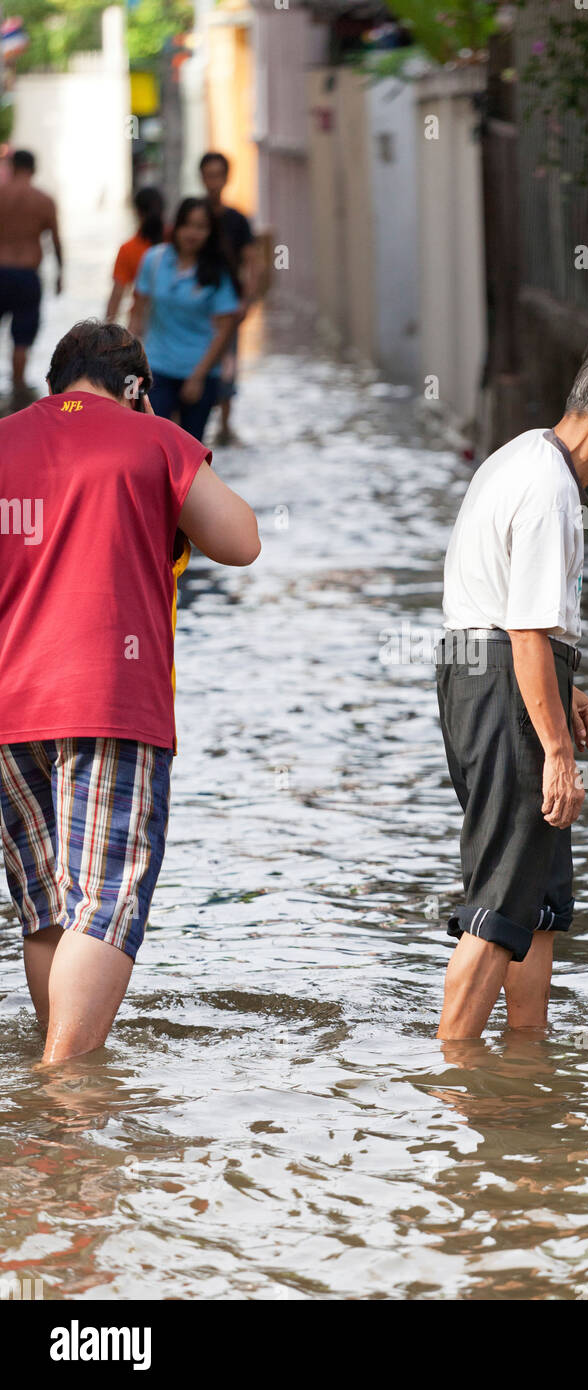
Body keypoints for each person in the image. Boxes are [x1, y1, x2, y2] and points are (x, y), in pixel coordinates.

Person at [0, 320, 260, 1065]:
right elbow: (241, 540)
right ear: (135, 386)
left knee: (48, 911)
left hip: (11, 710)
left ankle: (54, 1115)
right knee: (104, 901)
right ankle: (68, 1092)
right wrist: (155, 432)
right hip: (110, 702)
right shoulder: (153, 440)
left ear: (56, 382)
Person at [435, 331, 588, 1040]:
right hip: (502, 685)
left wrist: (563, 682)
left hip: (486, 676)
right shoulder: (548, 489)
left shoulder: (527, 457)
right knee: (503, 897)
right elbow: (522, 632)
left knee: (538, 901)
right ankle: (454, 1080)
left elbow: (519, 618)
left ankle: (524, 1061)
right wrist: (555, 750)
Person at [129, 197, 239, 441]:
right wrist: (128, 364)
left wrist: (198, 377)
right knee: (153, 441)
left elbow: (224, 330)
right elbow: (137, 313)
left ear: (210, 232)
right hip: (156, 368)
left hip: (200, 371)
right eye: (188, 225)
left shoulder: (217, 273)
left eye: (201, 227)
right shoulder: (154, 260)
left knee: (190, 449)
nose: (193, 233)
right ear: (176, 227)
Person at [199, 151, 261, 445]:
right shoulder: (194, 216)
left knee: (228, 364)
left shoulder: (238, 221)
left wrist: (245, 302)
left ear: (226, 178)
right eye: (208, 175)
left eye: (217, 175)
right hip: (196, 305)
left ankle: (224, 424)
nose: (212, 182)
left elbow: (253, 263)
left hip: (227, 307)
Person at [0, 149, 62, 410]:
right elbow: (57, 241)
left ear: (12, 166)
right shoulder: (44, 200)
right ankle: (18, 391)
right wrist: (62, 272)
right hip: (27, 275)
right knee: (22, 340)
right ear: (34, 169)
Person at [106, 186, 165, 322]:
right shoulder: (175, 242)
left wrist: (106, 332)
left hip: (141, 322)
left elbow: (117, 295)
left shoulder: (129, 248)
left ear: (137, 212)